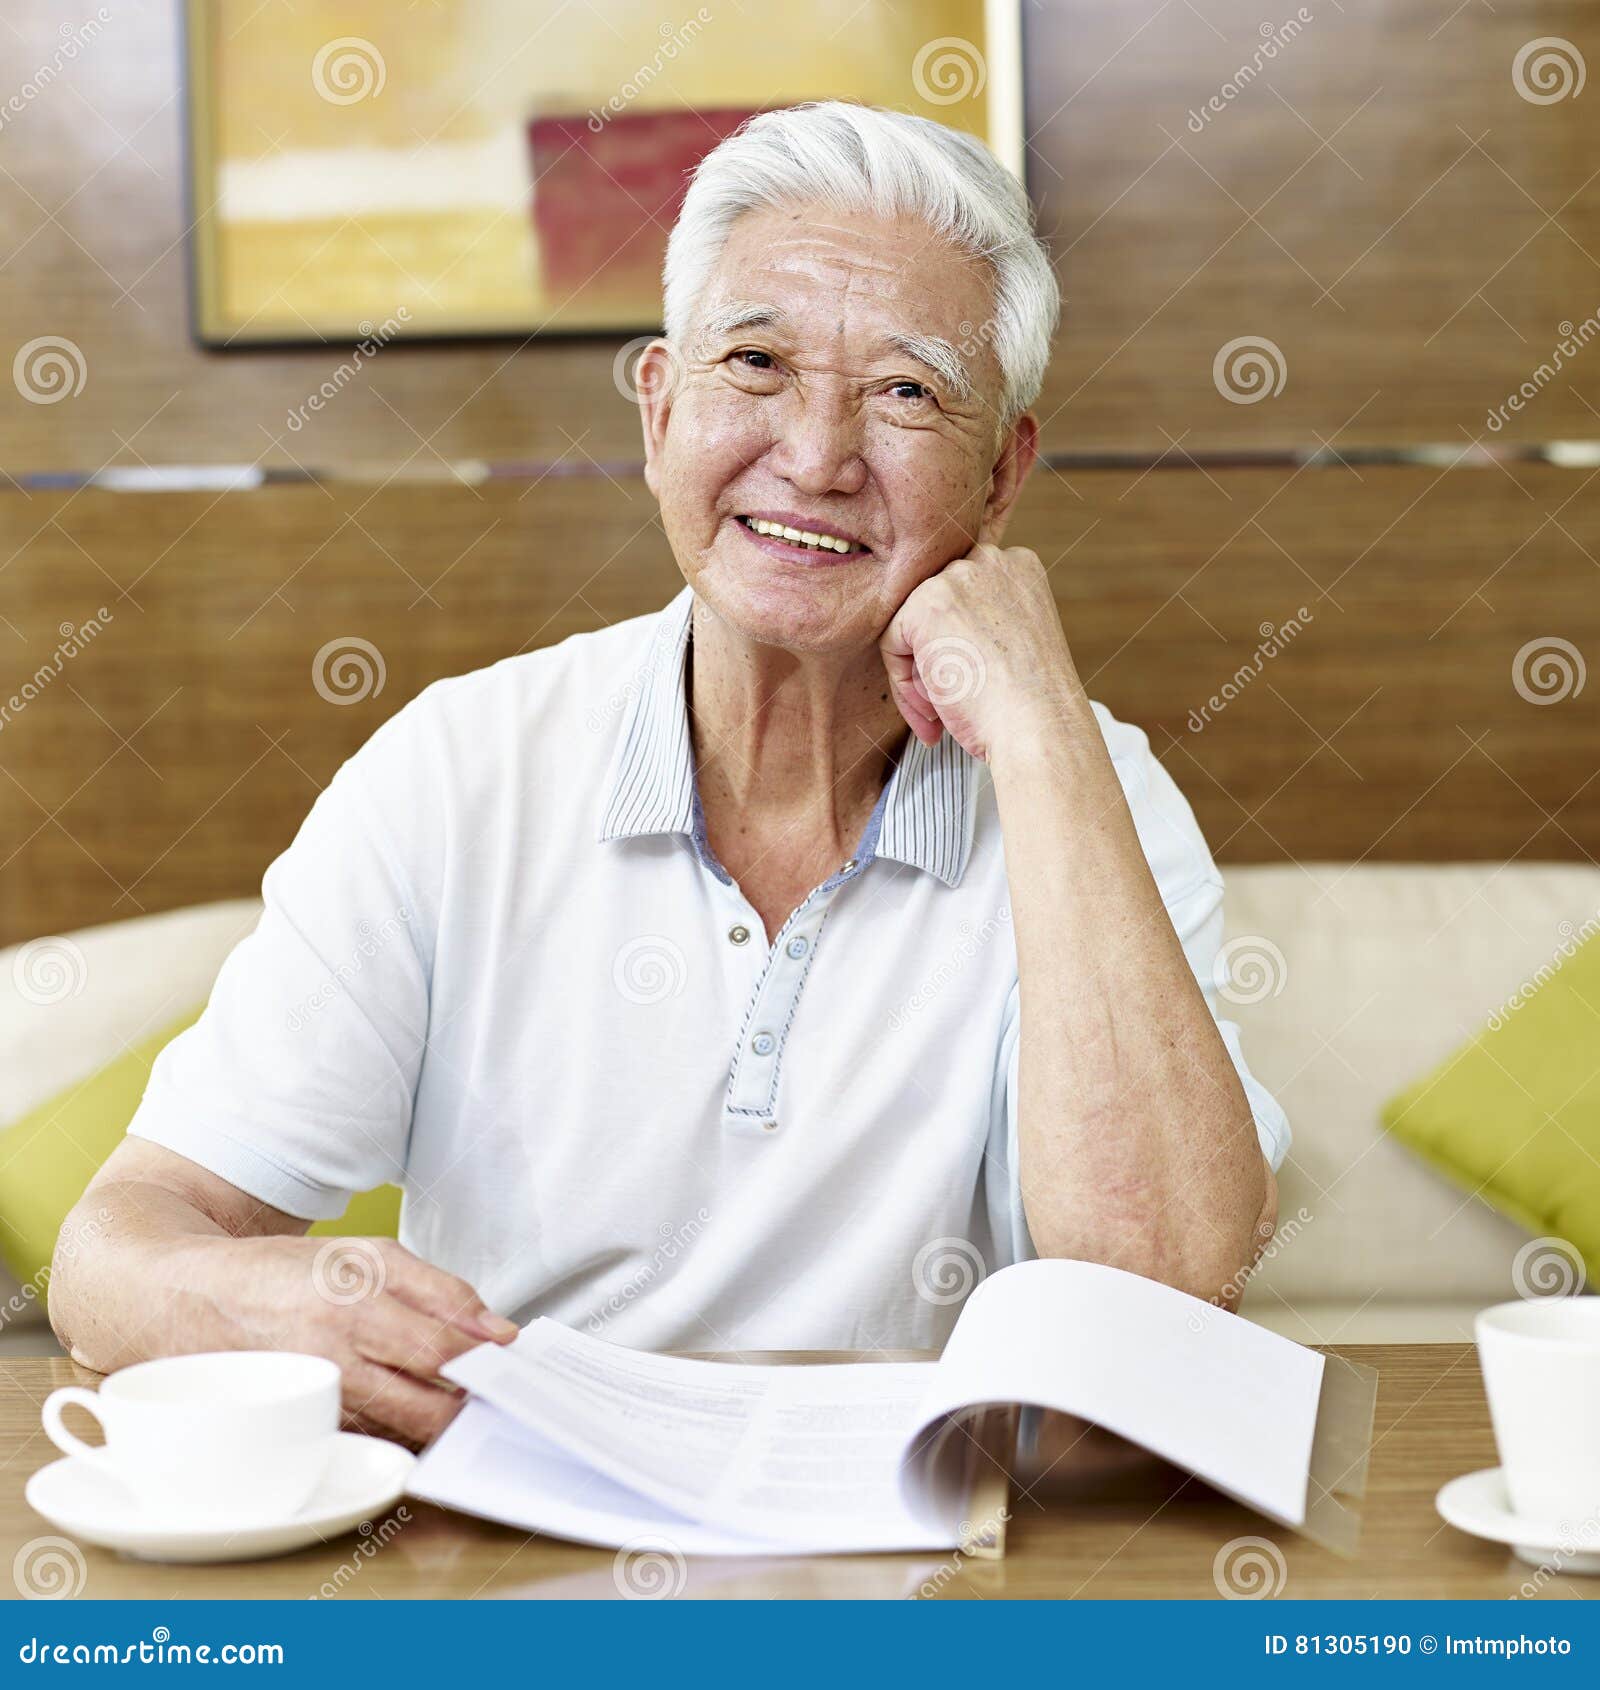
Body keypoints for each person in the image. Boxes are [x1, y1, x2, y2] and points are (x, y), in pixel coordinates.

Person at [51, 103, 1286, 1446]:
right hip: (517, 1555)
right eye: (755, 362)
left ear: (1001, 482)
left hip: (919, 1571)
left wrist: (1045, 728)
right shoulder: (456, 772)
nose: (815, 456)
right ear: (659, 412)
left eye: (908, 392)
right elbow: (112, 1256)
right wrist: (259, 1307)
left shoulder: (1098, 795)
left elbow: (1162, 1294)